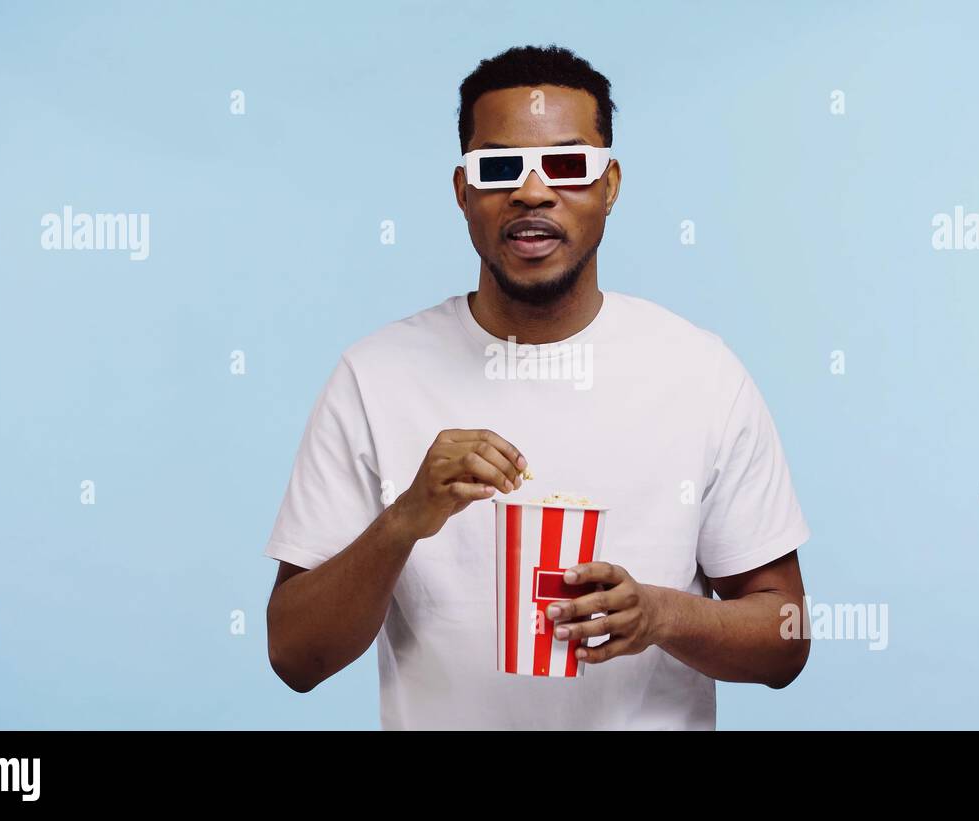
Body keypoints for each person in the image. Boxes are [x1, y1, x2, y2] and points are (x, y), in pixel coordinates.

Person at [264, 44, 812, 730]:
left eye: (567, 165)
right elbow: (292, 654)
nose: (531, 191)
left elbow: (787, 637)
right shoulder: (374, 377)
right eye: (498, 169)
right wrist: (404, 519)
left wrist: (661, 612)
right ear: (463, 193)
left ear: (610, 184)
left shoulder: (702, 373)